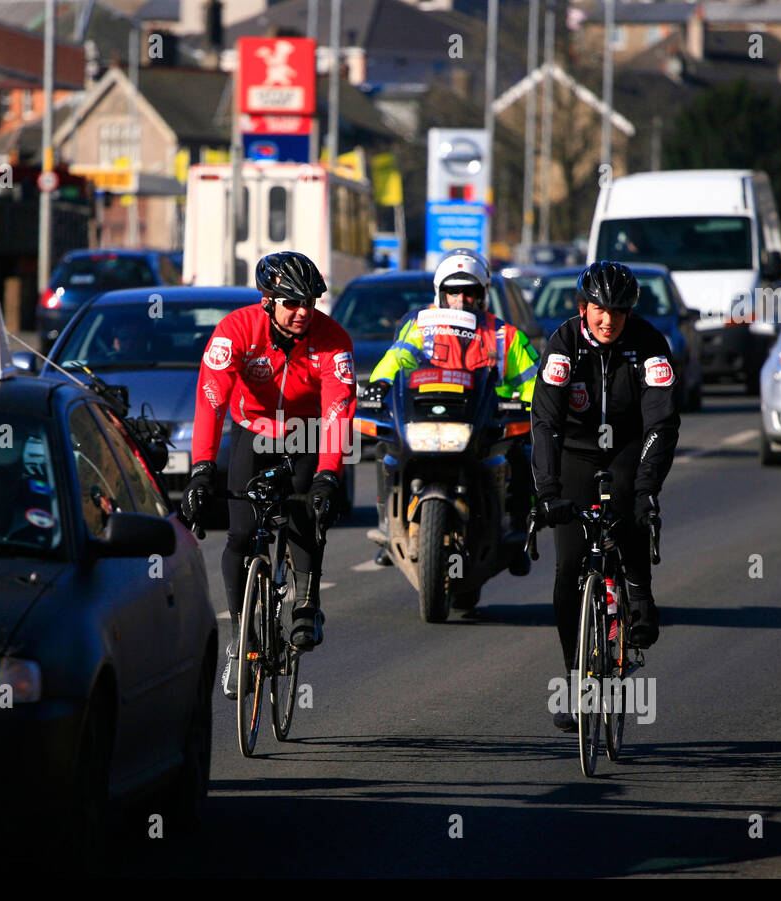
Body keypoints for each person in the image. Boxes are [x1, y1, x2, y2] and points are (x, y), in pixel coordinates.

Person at [180, 251, 356, 700]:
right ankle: (242, 641)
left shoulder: (333, 341)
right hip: (252, 431)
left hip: (305, 432)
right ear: (267, 300)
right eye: (291, 303)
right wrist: (201, 469)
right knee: (240, 534)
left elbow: (338, 411)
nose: (302, 313)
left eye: (310, 303)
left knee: (307, 508)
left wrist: (328, 475)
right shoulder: (235, 331)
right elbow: (211, 400)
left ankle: (306, 600)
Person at [530, 261, 680, 732]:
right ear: (583, 309)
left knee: (630, 517)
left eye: (618, 311)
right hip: (575, 455)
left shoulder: (651, 345)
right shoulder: (563, 344)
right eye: (599, 310)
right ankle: (575, 680)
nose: (608, 320)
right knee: (568, 566)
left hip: (628, 451)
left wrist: (646, 488)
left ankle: (639, 595)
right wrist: (548, 491)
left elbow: (662, 422)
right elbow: (545, 422)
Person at [363, 249, 542, 571]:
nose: (461, 299)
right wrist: (379, 385)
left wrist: (525, 402)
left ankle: (518, 534)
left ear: (483, 294)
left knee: (521, 452)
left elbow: (533, 381)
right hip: (425, 418)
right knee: (385, 450)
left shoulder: (505, 335)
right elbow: (395, 359)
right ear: (440, 293)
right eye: (453, 291)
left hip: (485, 421)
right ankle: (389, 529)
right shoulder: (419, 326)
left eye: (470, 291)